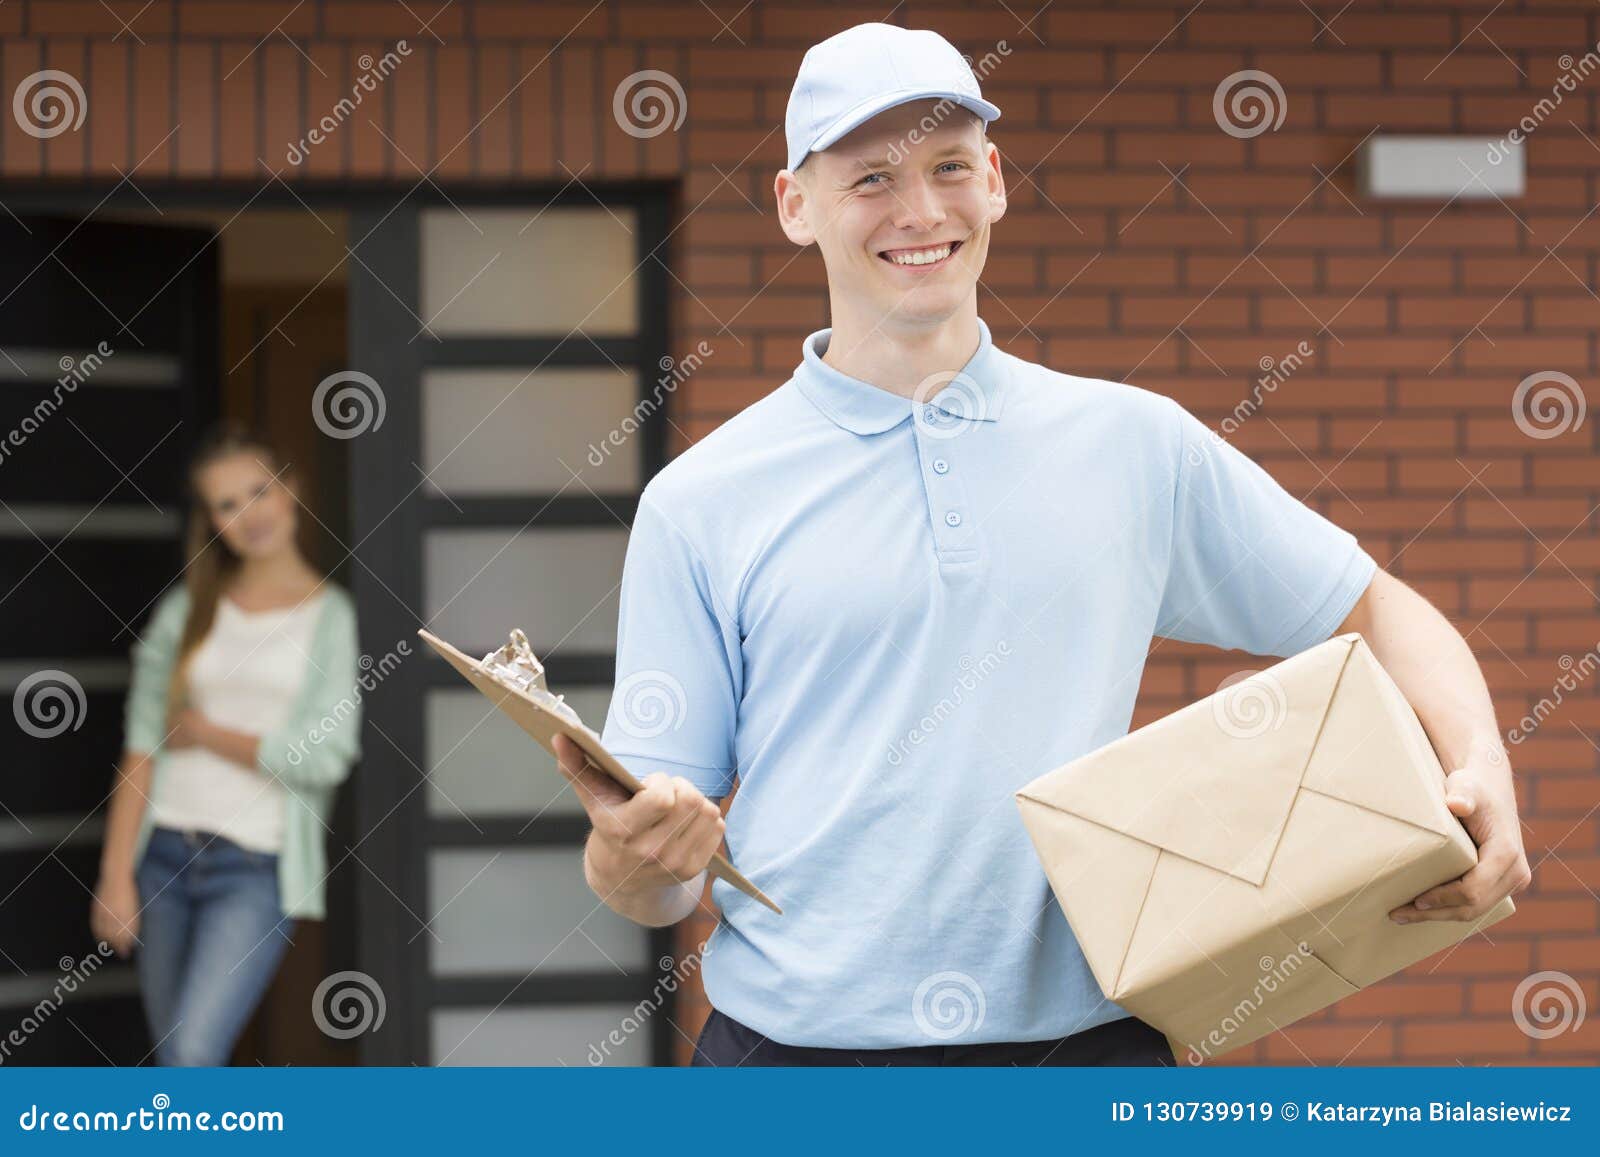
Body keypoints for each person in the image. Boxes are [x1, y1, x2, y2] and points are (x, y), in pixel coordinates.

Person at [554, 22, 1531, 1066]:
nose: (921, 210)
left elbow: (1379, 606)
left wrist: (1483, 767)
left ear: (997, 182)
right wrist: (630, 856)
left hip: (1089, 1052)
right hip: (795, 1062)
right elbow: (657, 880)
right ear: (796, 206)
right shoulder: (701, 499)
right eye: (870, 178)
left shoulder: (1131, 443)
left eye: (947, 167)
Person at [91, 422, 362, 1066]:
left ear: (290, 492)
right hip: (161, 858)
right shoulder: (186, 612)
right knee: (174, 1060)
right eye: (227, 504)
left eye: (258, 492)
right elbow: (141, 749)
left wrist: (209, 734)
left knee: (191, 1054)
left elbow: (326, 756)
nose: (249, 515)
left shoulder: (331, 618)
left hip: (254, 870)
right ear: (211, 521)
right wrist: (115, 875)